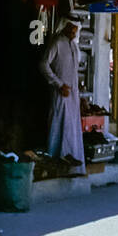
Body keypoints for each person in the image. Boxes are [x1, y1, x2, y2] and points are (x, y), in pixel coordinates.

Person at [40, 14, 85, 174]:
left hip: (73, 94)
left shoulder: (74, 45)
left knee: (72, 128)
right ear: (66, 25)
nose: (75, 30)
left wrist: (79, 86)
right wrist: (58, 84)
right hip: (61, 93)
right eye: (72, 26)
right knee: (58, 126)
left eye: (76, 27)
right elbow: (44, 65)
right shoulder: (57, 42)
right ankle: (54, 165)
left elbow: (73, 70)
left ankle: (71, 166)